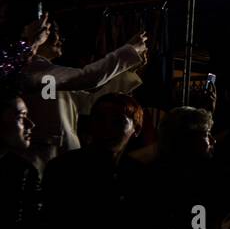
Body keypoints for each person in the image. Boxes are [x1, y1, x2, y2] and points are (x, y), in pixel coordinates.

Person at [20, 12, 147, 166]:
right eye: (51, 33)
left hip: (57, 156)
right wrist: (129, 52)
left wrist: (127, 71)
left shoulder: (49, 74)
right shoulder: (32, 67)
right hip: (42, 158)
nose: (60, 39)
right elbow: (89, 78)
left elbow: (90, 100)